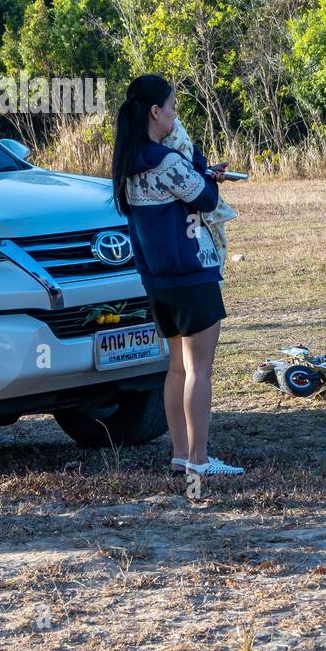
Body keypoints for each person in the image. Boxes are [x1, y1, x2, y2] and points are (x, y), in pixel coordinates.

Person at [111, 74, 244, 477]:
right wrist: (205, 172)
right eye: (171, 108)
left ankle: (180, 454)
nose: (174, 116)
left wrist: (201, 172)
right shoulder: (167, 160)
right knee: (200, 370)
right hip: (192, 274)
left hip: (156, 279)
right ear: (155, 111)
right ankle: (200, 461)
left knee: (176, 369)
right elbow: (206, 198)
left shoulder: (129, 162)